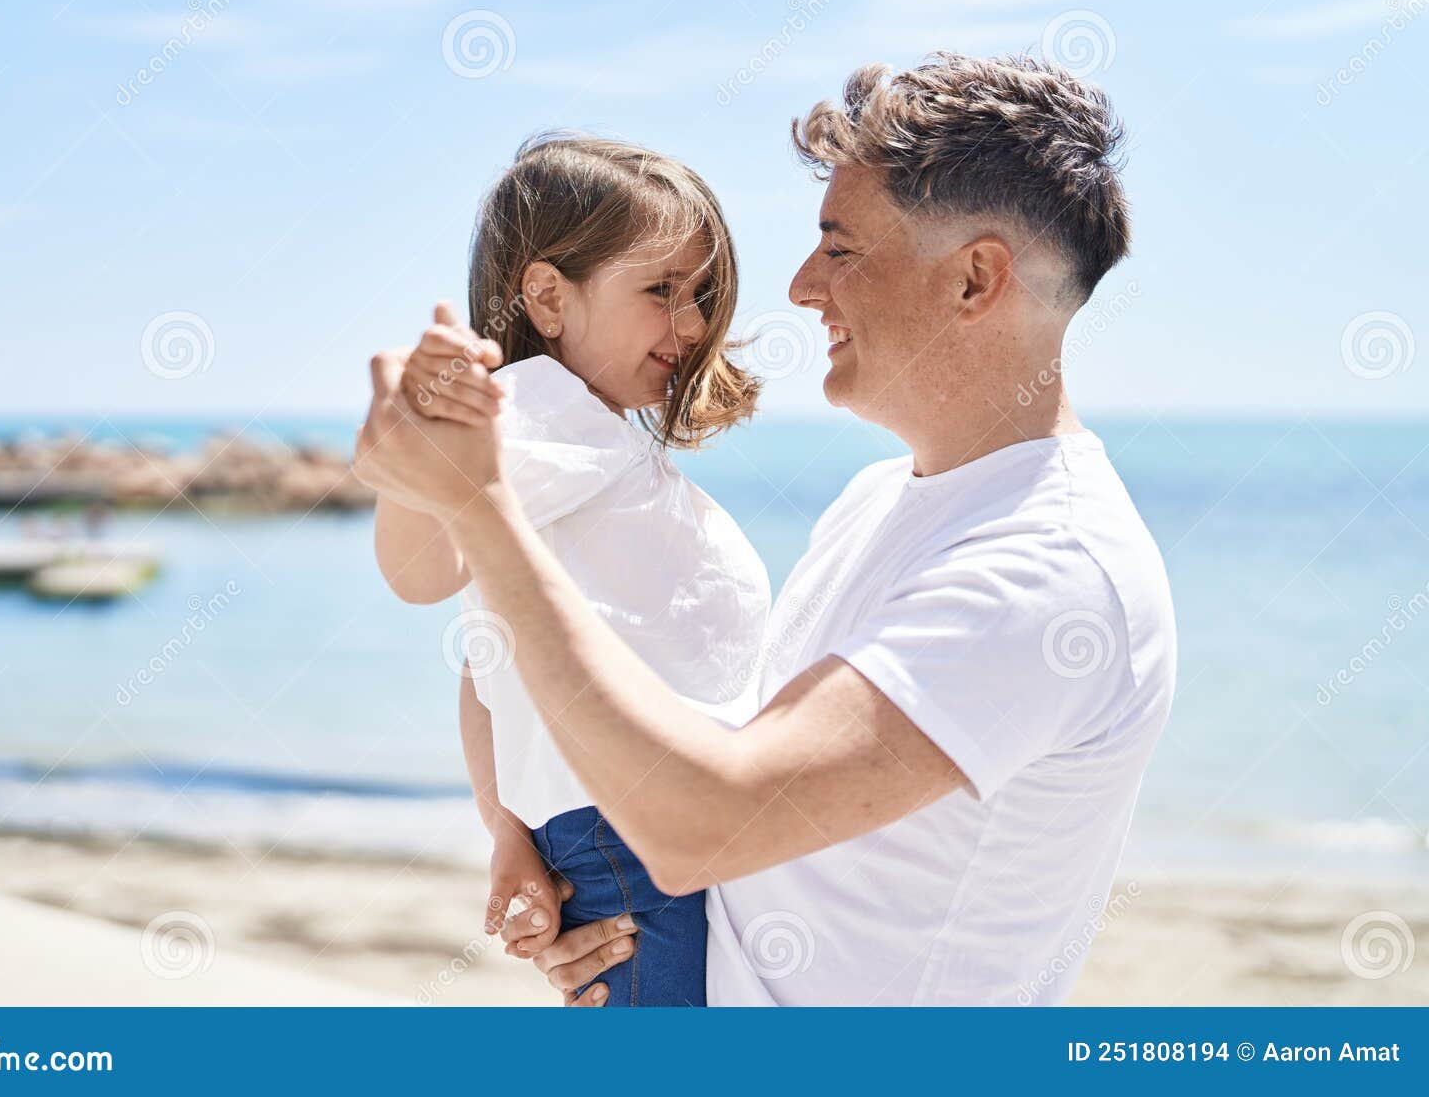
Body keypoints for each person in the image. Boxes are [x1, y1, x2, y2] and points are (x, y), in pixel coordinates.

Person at [355, 52, 1176, 1005]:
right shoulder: (877, 503)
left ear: (973, 280)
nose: (796, 286)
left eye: (839, 246)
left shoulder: (1047, 570)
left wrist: (474, 505)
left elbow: (704, 822)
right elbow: (544, 689)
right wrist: (563, 875)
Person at [370, 134, 770, 1006]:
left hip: (643, 833)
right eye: (661, 290)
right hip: (636, 839)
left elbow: (486, 670)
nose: (693, 324)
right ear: (548, 297)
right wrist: (420, 446)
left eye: (700, 295)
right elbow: (419, 569)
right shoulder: (538, 408)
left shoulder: (589, 436)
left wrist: (506, 829)